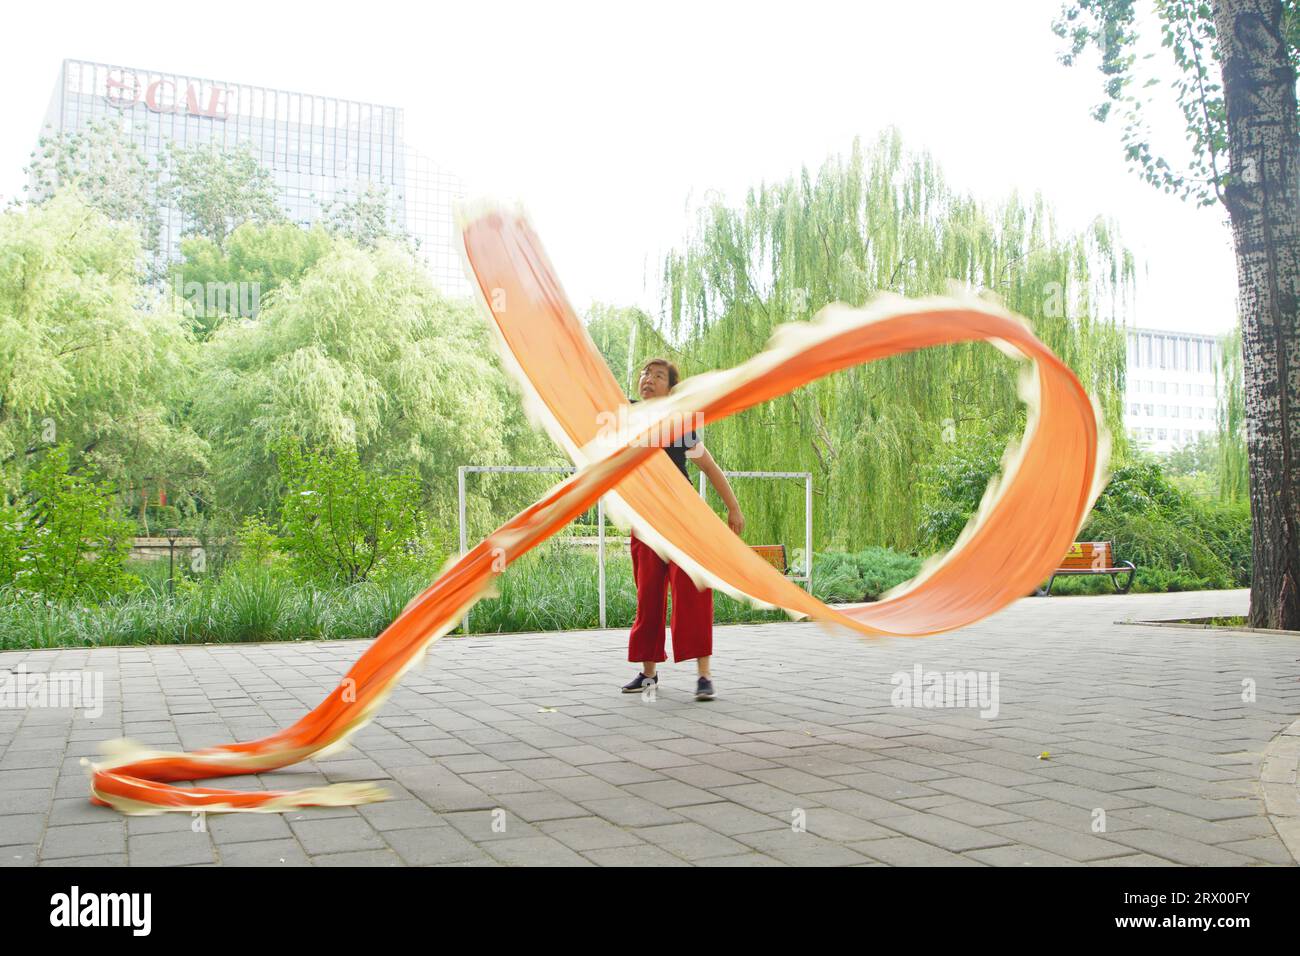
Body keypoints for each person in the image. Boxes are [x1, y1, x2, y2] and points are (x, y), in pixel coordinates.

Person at [620, 358, 744, 701]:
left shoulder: (679, 424)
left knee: (693, 593)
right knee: (648, 595)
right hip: (646, 521)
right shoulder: (624, 415)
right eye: (645, 374)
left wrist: (732, 507)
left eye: (658, 376)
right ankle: (648, 675)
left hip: (683, 518)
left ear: (670, 388)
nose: (648, 379)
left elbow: (709, 465)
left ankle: (704, 677)